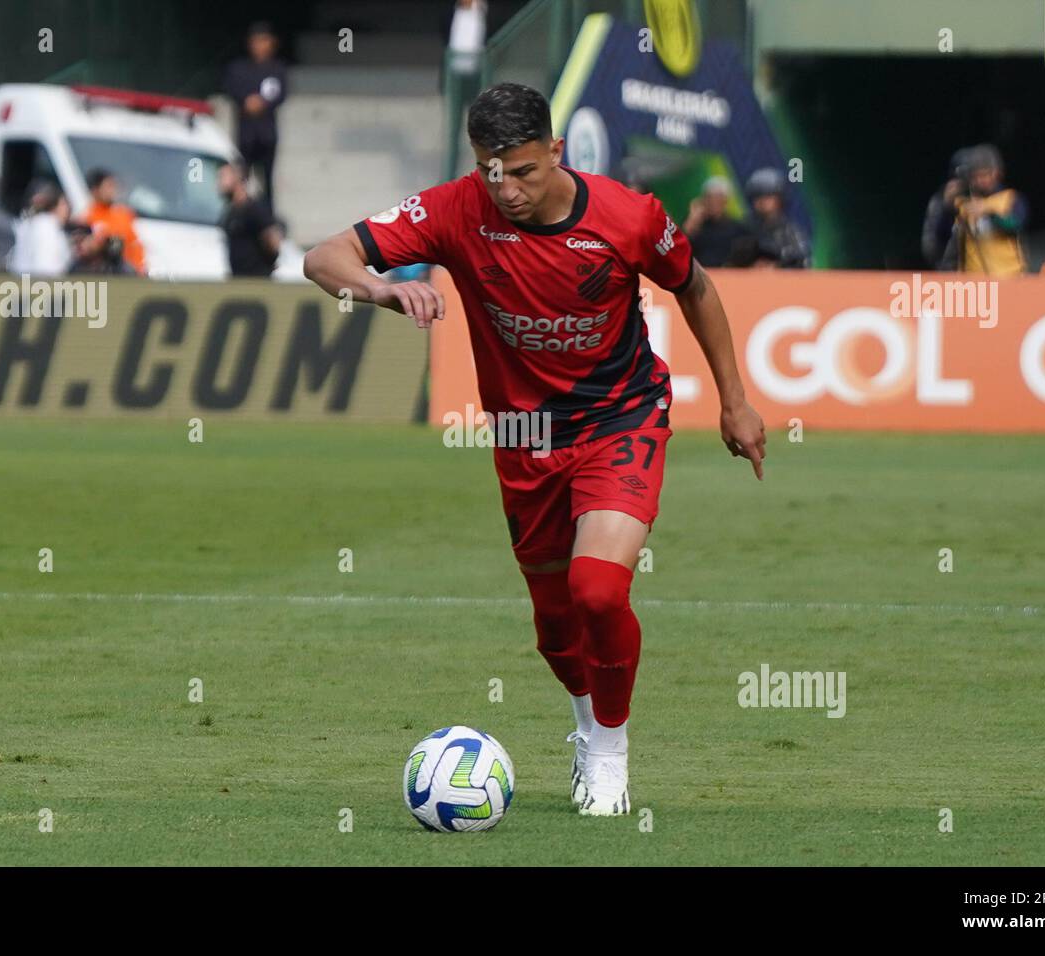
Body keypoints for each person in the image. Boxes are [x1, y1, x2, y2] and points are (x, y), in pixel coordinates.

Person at [303, 83, 765, 817]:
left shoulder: (627, 216)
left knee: (598, 590)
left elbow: (697, 287)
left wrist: (735, 401)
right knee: (554, 623)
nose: (508, 189)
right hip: (523, 438)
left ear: (555, 152)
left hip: (621, 419)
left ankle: (611, 753)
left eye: (523, 171)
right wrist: (378, 290)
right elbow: (324, 256)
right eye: (493, 170)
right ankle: (584, 727)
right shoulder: (453, 209)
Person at [222, 21, 287, 212]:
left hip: (267, 134)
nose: (259, 45)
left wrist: (263, 103)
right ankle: (238, 215)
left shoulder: (277, 69)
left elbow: (280, 94)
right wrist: (245, 100)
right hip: (245, 134)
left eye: (264, 41)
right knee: (241, 177)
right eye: (256, 41)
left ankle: (267, 219)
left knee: (267, 180)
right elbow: (231, 88)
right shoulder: (238, 68)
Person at [953, 144, 1027, 277]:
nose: (980, 180)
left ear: (997, 173)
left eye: (984, 175)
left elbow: (1016, 225)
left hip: (1009, 276)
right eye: (975, 177)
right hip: (974, 280)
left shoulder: (1010, 198)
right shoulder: (963, 204)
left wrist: (988, 213)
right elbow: (953, 240)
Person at [218, 161, 280, 277]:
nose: (219, 183)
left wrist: (268, 264)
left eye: (223, 177)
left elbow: (272, 241)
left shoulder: (254, 209)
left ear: (237, 177)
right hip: (238, 279)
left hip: (257, 280)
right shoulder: (231, 211)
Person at [78, 168, 146, 274]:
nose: (112, 191)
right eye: (108, 186)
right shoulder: (86, 218)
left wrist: (140, 267)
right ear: (95, 190)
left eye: (113, 186)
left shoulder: (124, 215)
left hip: (128, 273)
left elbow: (135, 245)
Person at [744, 167, 809, 268]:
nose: (762, 201)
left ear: (779, 199)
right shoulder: (744, 229)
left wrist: (777, 266)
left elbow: (804, 262)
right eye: (758, 196)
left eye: (768, 196)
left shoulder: (790, 232)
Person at [683, 175, 752, 268]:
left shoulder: (738, 229)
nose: (713, 202)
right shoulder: (697, 227)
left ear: (725, 201)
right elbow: (681, 248)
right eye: (709, 197)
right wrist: (693, 219)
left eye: (718, 198)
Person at [922, 147, 972, 270]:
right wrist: (947, 209)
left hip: (989, 275)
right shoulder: (941, 200)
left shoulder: (995, 198)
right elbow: (931, 250)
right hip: (951, 275)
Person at [8, 180, 71, 276]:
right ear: (53, 205)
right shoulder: (48, 226)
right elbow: (47, 267)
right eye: (64, 204)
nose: (67, 209)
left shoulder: (27, 223)